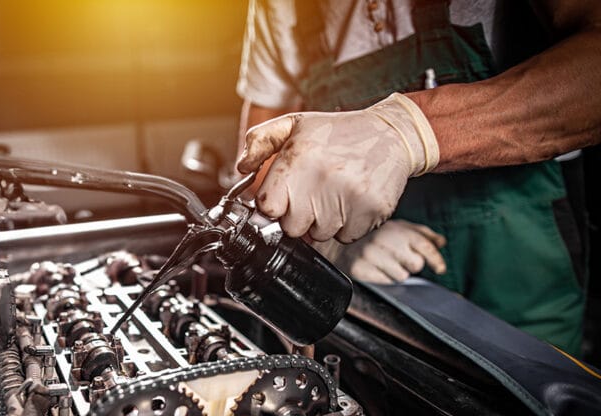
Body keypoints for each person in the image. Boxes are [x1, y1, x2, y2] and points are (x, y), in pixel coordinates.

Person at [234, 0, 600, 356]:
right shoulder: (281, 6)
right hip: (372, 308)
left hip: (524, 280)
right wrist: (330, 246)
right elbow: (259, 169)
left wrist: (408, 130)